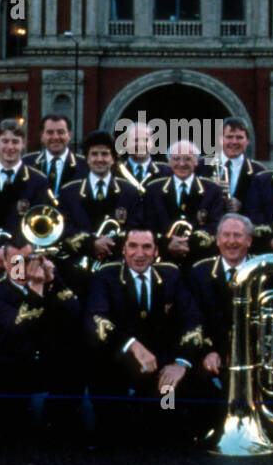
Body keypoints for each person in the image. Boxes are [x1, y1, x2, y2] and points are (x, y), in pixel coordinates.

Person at [84, 227, 204, 445]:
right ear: (123, 250)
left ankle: (160, 416)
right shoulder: (106, 275)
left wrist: (181, 363)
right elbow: (96, 319)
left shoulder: (171, 274)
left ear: (156, 250)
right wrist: (132, 345)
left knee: (166, 418)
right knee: (113, 432)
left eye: (147, 247)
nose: (140, 254)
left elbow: (192, 319)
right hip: (119, 361)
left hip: (162, 364)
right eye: (133, 246)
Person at [0, 234, 83, 440]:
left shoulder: (48, 281)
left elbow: (74, 312)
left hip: (41, 358)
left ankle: (60, 419)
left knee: (73, 357)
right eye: (16, 262)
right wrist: (36, 289)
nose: (23, 269)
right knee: (8, 426)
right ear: (5, 263)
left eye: (29, 261)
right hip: (8, 360)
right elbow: (17, 328)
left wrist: (54, 281)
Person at [0, 119, 57, 286]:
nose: (10, 147)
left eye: (15, 142)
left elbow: (41, 228)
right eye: (5, 141)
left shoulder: (38, 181)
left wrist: (13, 255)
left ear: (23, 144)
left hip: (20, 258)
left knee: (14, 299)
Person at [187, 213, 254, 436]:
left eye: (238, 235)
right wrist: (208, 351)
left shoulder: (262, 270)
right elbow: (194, 317)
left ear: (249, 241)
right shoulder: (199, 272)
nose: (231, 241)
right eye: (226, 235)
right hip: (213, 352)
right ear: (217, 240)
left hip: (252, 356)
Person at [57, 130, 143, 286]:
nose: (99, 159)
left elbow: (136, 227)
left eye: (104, 154)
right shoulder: (69, 192)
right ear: (87, 159)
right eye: (94, 154)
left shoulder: (129, 192)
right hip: (77, 272)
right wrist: (92, 243)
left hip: (117, 269)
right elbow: (64, 229)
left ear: (113, 159)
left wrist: (109, 243)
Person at [142, 139, 226, 267]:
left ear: (196, 161)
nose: (182, 164)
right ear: (169, 162)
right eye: (176, 158)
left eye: (187, 158)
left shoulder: (212, 190)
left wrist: (189, 243)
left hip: (199, 262)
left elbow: (216, 226)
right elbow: (147, 224)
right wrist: (167, 243)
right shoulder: (154, 189)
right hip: (163, 261)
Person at [196, 117, 260, 213]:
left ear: (247, 141)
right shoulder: (200, 164)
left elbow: (263, 206)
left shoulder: (258, 171)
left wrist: (241, 205)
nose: (234, 142)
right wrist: (211, 189)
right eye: (229, 137)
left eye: (239, 137)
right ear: (220, 139)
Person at [25, 114, 89, 195]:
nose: (55, 137)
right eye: (50, 132)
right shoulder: (27, 163)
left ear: (69, 135)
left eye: (60, 132)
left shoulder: (85, 165)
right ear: (42, 135)